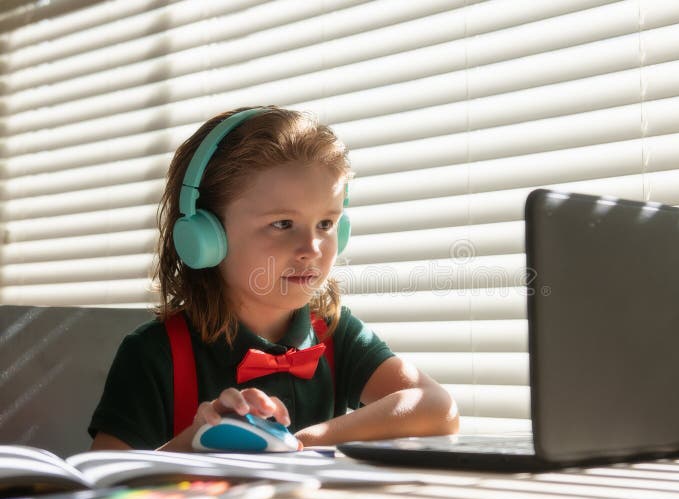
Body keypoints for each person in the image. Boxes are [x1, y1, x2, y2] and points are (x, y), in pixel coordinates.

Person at [89, 106, 459, 451]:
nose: (311, 247)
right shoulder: (153, 353)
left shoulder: (335, 333)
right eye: (282, 224)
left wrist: (303, 443)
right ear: (205, 237)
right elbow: (98, 488)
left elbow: (438, 407)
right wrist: (196, 442)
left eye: (326, 224)